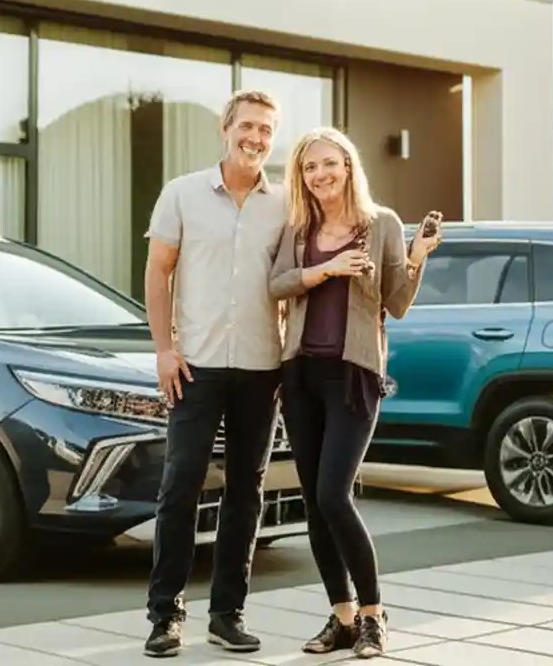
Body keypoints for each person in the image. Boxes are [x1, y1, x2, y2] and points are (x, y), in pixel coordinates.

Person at [269, 126, 441, 659]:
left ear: (348, 166)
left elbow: (399, 302)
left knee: (332, 495)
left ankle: (373, 615)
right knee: (315, 507)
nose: (320, 175)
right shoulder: (298, 229)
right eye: (309, 167)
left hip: (354, 376)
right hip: (299, 376)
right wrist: (325, 270)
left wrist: (418, 256)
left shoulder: (380, 224)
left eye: (329, 164)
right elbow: (276, 284)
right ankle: (341, 617)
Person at [140, 89, 286, 658]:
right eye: (247, 126)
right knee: (181, 486)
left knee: (246, 493)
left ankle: (227, 613)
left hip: (260, 368)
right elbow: (158, 273)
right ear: (226, 128)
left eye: (266, 130)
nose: (256, 138)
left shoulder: (285, 205)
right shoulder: (182, 193)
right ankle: (165, 614)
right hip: (195, 367)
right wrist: (163, 349)